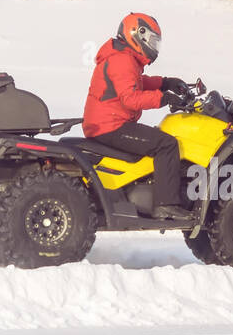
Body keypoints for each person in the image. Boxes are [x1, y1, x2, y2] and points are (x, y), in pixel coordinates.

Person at [82, 12, 193, 220]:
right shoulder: (122, 59)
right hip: (110, 126)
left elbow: (136, 82)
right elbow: (130, 98)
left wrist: (166, 83)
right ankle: (165, 204)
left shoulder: (123, 58)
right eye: (152, 41)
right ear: (138, 34)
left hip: (107, 124)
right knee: (166, 144)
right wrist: (164, 98)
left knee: (160, 139)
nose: (154, 47)